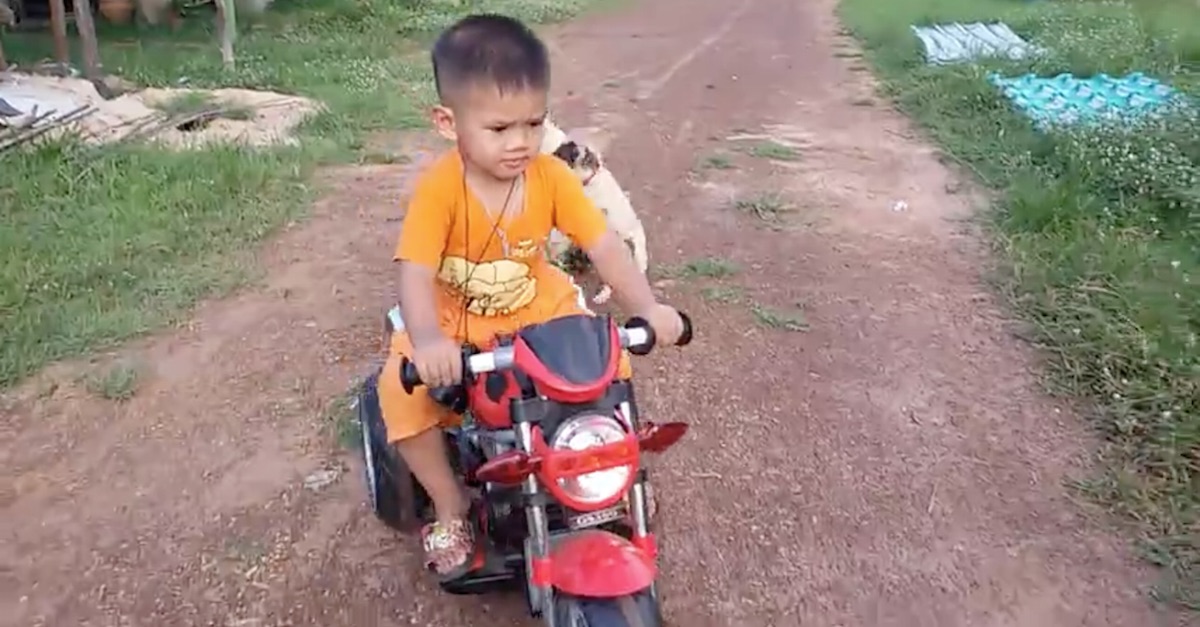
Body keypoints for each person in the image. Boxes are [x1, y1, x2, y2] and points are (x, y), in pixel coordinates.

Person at [377, 13, 686, 580]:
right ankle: (451, 504)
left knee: (606, 362)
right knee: (402, 396)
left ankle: (605, 474)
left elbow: (603, 246)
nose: (520, 143)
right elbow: (415, 271)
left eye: (533, 124)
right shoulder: (440, 189)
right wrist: (427, 340)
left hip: (533, 302)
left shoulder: (551, 177)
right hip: (453, 316)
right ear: (449, 122)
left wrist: (648, 307)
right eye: (499, 129)